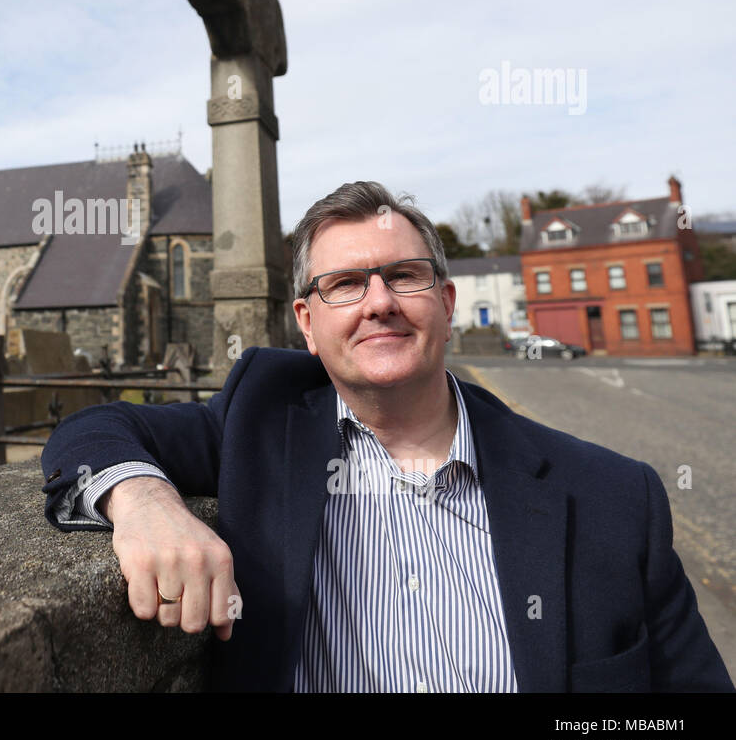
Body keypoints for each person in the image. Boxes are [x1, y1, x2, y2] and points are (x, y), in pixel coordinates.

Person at [40, 180, 734, 692]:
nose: (379, 302)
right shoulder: (260, 422)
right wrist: (144, 502)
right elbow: (94, 427)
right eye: (345, 284)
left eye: (404, 275)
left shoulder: (613, 498)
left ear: (446, 302)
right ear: (307, 325)